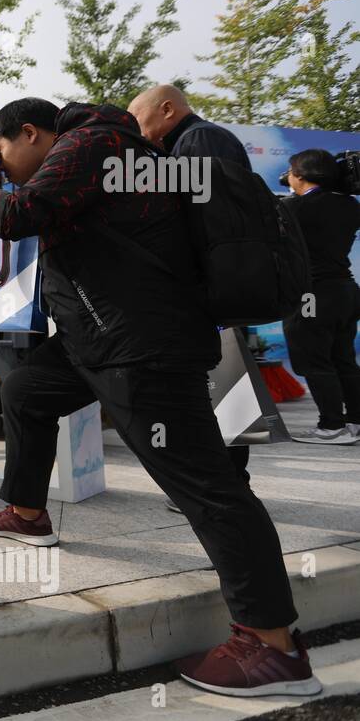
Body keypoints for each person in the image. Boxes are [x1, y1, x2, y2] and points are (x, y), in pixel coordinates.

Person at [0, 97, 319, 698]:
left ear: (32, 132)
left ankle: (271, 646)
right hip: (96, 340)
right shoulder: (112, 149)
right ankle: (26, 512)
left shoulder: (94, 143)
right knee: (23, 389)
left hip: (142, 348)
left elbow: (22, 214)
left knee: (207, 488)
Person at [127, 84, 256, 505]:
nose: (134, 126)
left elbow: (195, 215)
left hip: (212, 286)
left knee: (217, 389)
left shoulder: (199, 140)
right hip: (217, 283)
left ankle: (226, 485)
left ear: (167, 109)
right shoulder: (197, 141)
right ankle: (225, 483)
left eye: (138, 116)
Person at [280, 149, 360, 444]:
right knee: (343, 359)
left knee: (313, 360)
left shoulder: (293, 207)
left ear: (299, 175)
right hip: (345, 291)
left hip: (313, 294)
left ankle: (331, 426)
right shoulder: (350, 205)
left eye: (290, 171)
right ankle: (355, 422)